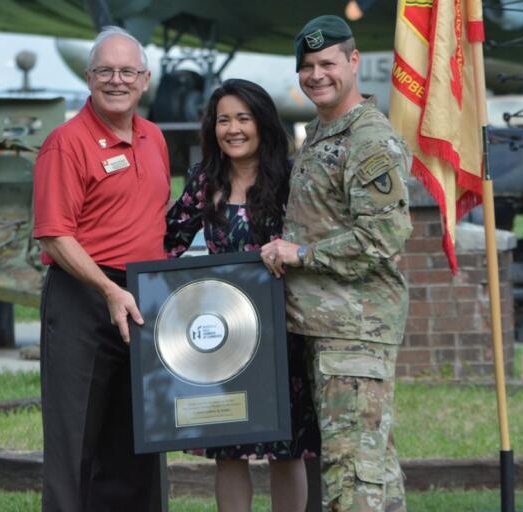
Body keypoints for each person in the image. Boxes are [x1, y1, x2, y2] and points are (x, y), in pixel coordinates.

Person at [260, 15, 414, 512]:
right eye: (307, 66)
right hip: (331, 329)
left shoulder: (367, 139)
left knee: (351, 475)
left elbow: (383, 236)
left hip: (355, 331)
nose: (316, 75)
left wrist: (301, 254)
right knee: (372, 467)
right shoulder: (324, 133)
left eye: (328, 63)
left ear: (353, 62)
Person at [165, 78, 320, 512]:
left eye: (243, 118)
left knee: (287, 449)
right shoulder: (204, 179)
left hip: (284, 332)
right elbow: (168, 241)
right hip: (224, 335)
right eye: (223, 120)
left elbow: (314, 245)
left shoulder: (292, 178)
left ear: (262, 123)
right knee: (229, 448)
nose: (233, 129)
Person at [33, 26, 168, 512]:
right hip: (84, 296)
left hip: (143, 297)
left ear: (145, 80)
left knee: (141, 436)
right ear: (89, 78)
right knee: (75, 442)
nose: (117, 80)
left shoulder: (154, 138)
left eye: (128, 71)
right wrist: (109, 290)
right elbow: (54, 234)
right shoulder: (65, 144)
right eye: (105, 71)